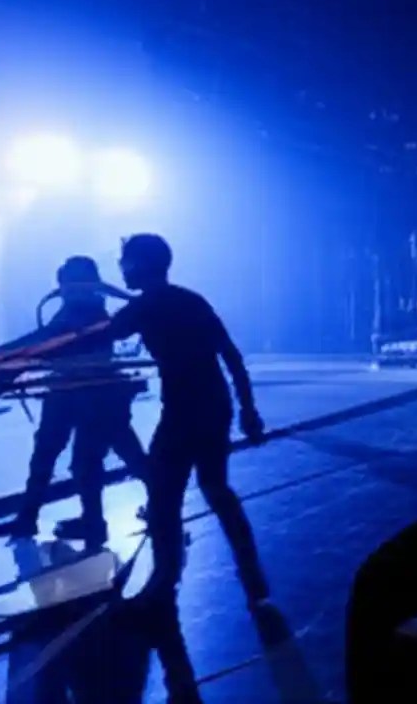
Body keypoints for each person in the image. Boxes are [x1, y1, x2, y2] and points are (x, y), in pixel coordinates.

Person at [99, 234, 270, 604]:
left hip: (183, 411)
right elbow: (232, 357)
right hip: (215, 404)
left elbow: (100, 335)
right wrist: (248, 410)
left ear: (140, 264)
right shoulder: (191, 300)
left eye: (125, 262)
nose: (122, 269)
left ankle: (164, 580)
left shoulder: (145, 307)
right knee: (216, 488)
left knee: (164, 496)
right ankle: (251, 572)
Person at [0, 257, 146, 545]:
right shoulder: (81, 313)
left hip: (95, 397)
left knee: (93, 459)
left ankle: (102, 521)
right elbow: (41, 344)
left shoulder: (87, 318)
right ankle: (33, 519)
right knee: (51, 456)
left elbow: (40, 345)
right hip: (67, 392)